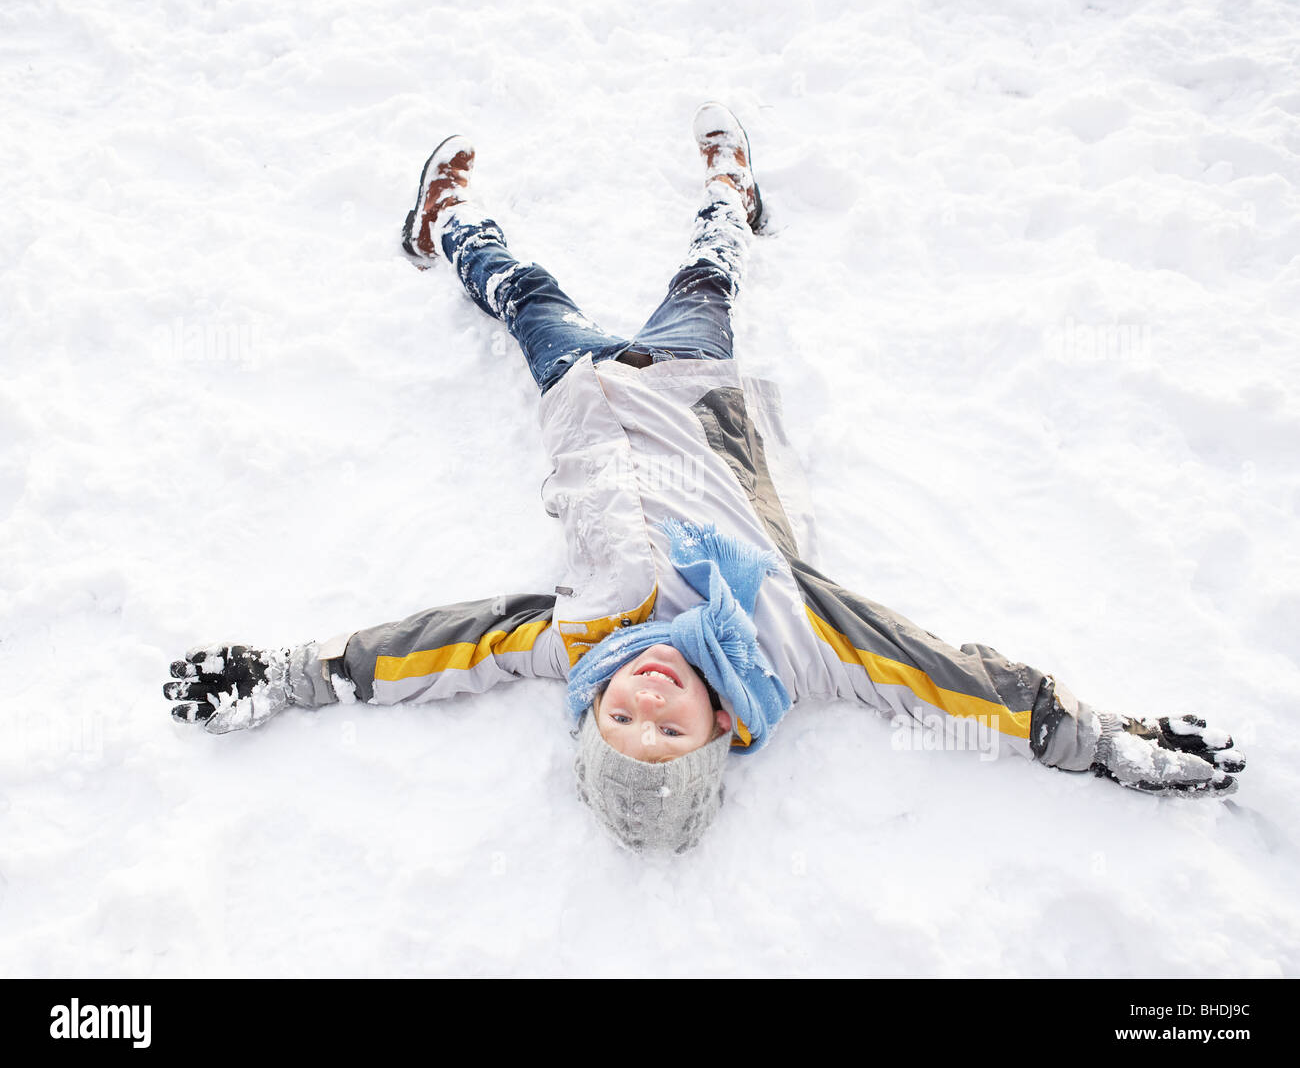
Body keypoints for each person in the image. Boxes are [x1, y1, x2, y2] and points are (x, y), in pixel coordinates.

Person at [166, 103, 1246, 853]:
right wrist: (1103, 740)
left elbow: (437, 643)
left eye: (620, 725)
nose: (646, 705)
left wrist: (294, 671)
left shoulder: (579, 639)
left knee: (523, 291)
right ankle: (732, 190)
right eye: (666, 733)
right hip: (693, 390)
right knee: (707, 273)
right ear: (720, 730)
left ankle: (445, 222)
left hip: (584, 396)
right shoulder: (794, 640)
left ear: (590, 712)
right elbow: (950, 677)